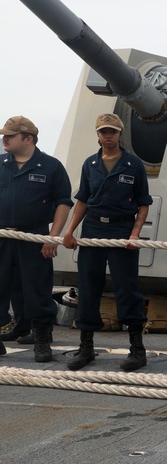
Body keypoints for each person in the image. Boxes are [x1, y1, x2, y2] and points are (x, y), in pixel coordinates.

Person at [63, 113, 152, 372]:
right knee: (88, 286)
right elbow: (82, 200)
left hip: (121, 229)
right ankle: (86, 346)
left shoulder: (133, 165)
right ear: (98, 134)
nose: (108, 135)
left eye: (112, 131)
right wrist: (70, 231)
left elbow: (144, 204)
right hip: (92, 228)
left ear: (120, 134)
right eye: (103, 131)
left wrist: (135, 234)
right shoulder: (90, 164)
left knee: (127, 287)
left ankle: (137, 349)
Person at [0, 115, 73, 362]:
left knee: (37, 287)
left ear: (28, 139)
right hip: (1, 236)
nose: (4, 139)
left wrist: (53, 237)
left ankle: (42, 339)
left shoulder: (51, 167)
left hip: (34, 237)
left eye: (9, 136)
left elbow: (63, 202)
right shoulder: (0, 164)